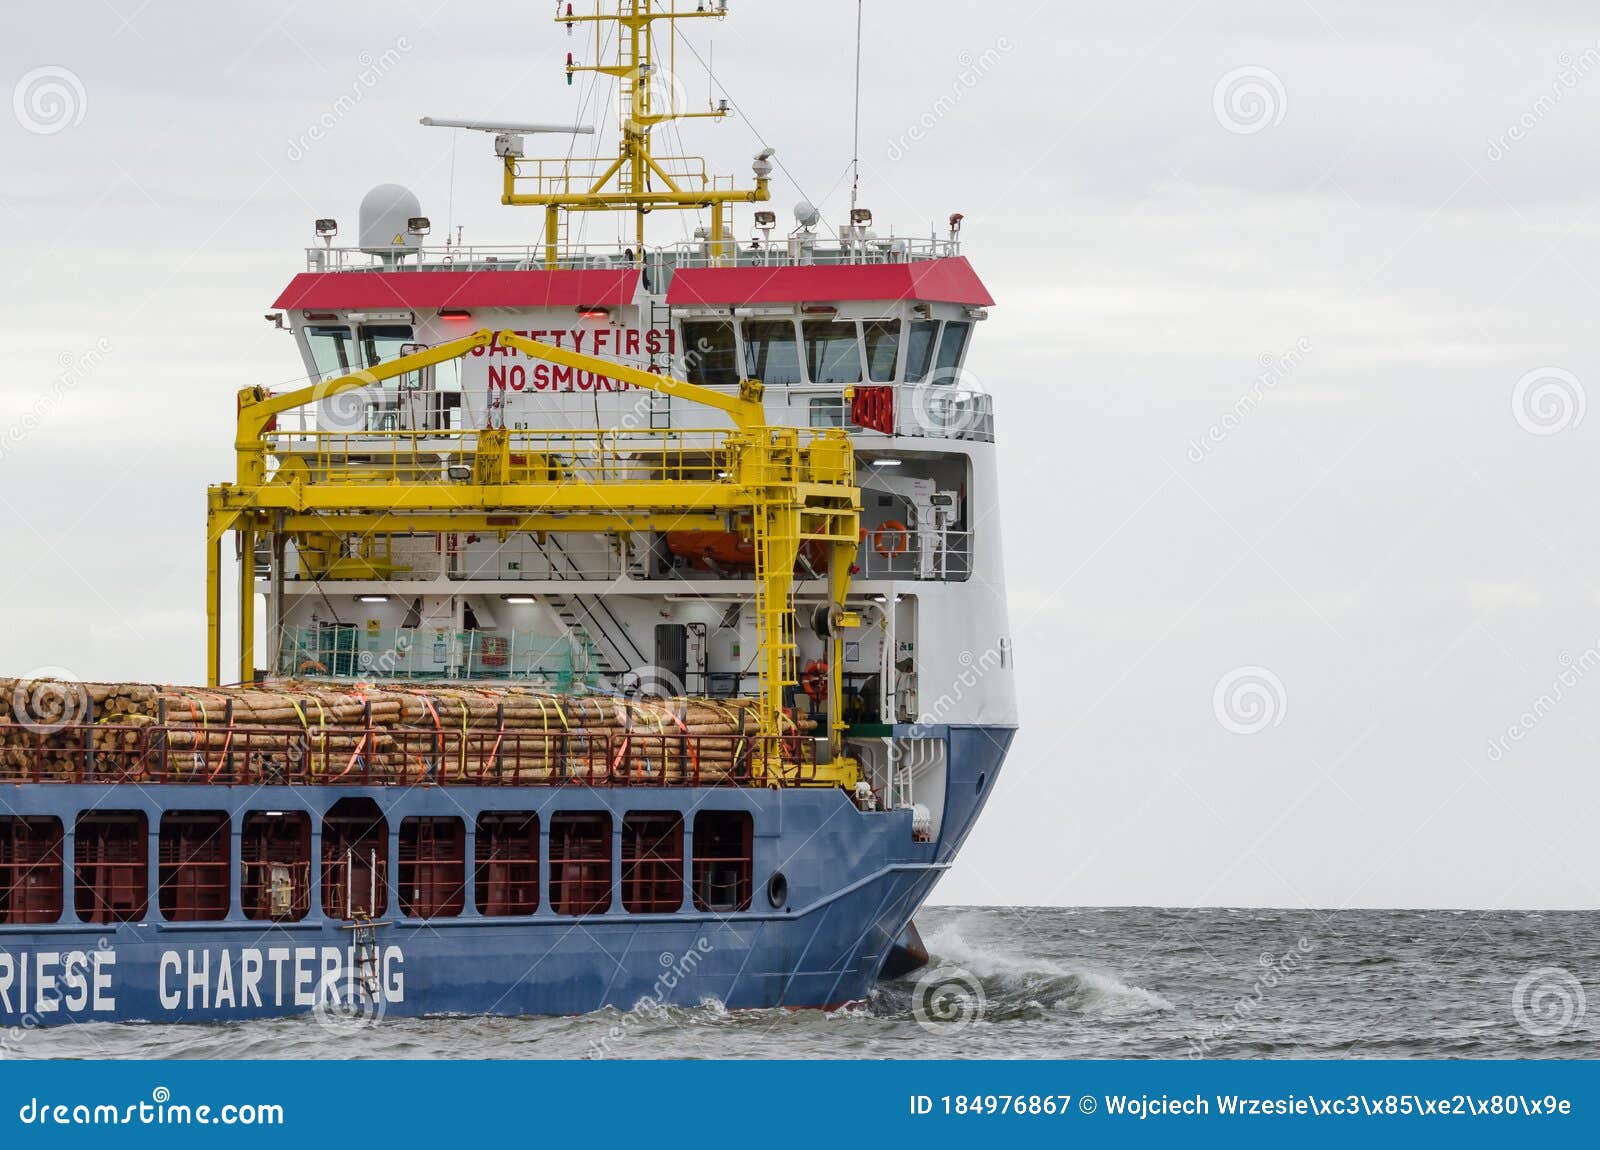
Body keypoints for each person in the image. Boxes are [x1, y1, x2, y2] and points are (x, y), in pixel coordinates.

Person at [894, 657, 918, 723]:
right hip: (901, 692)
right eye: (908, 668)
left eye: (911, 668)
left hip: (909, 693)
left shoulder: (912, 675)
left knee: (910, 705)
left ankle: (909, 719)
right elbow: (898, 683)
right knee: (900, 705)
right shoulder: (902, 674)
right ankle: (900, 718)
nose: (909, 670)